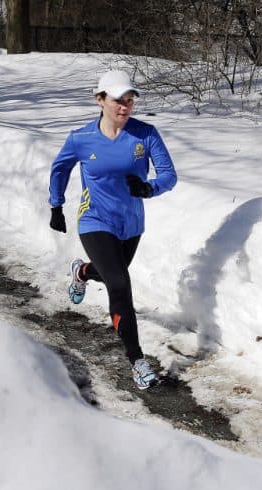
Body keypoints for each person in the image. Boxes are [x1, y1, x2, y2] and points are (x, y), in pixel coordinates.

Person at [47, 70, 178, 389]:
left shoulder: (145, 135)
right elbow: (60, 167)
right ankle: (137, 361)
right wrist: (56, 204)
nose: (125, 106)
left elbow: (169, 175)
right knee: (120, 283)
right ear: (100, 100)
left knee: (111, 274)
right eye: (119, 100)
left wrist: (150, 189)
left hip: (131, 224)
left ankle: (82, 272)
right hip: (94, 220)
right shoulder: (81, 138)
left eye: (130, 100)